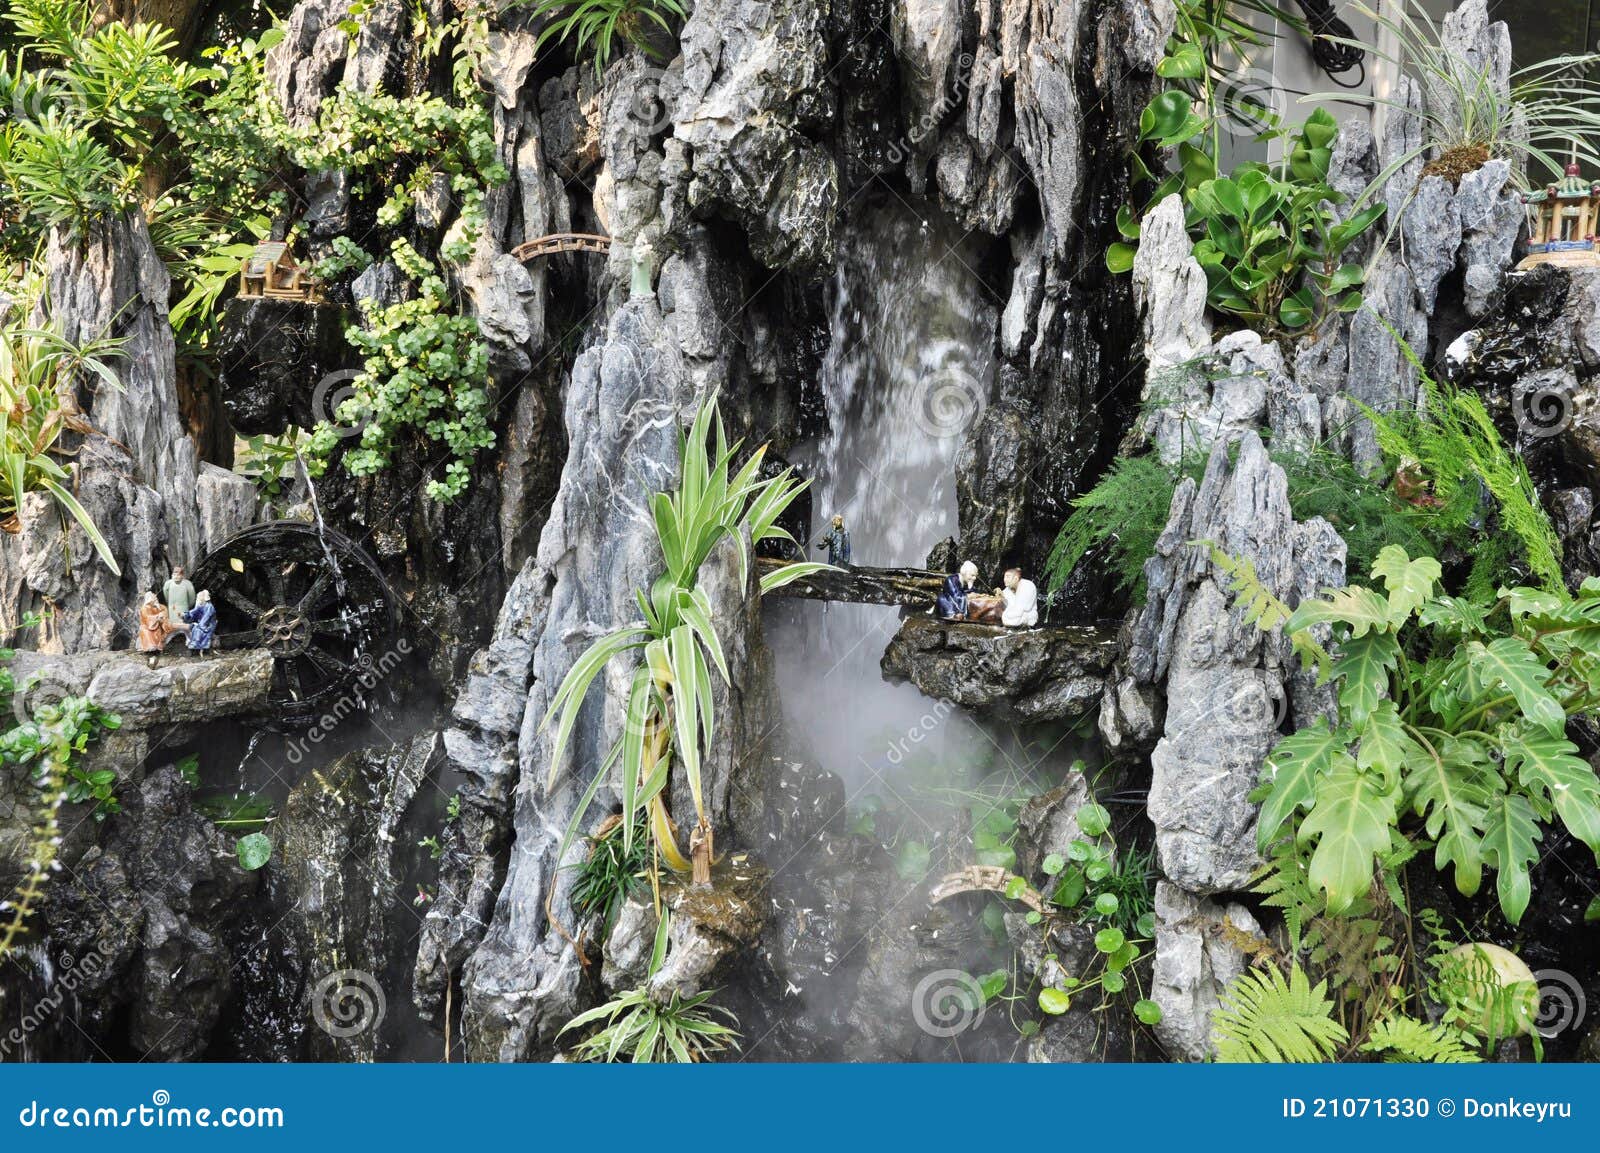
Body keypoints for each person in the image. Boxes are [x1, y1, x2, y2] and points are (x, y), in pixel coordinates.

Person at [136, 592, 172, 668]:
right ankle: (150, 652)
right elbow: (147, 618)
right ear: (149, 599)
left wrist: (160, 612)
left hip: (156, 627)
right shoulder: (144, 608)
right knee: (147, 632)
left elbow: (164, 612)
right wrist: (157, 617)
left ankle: (156, 652)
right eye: (153, 598)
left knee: (159, 632)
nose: (155, 599)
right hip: (147, 627)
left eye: (156, 598)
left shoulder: (159, 607)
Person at [183, 590, 217, 657]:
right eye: (198, 597)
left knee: (198, 630)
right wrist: (185, 614)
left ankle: (199, 648)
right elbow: (193, 612)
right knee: (192, 627)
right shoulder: (200, 606)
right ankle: (194, 648)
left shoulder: (210, 607)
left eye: (200, 597)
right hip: (201, 623)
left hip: (209, 624)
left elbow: (206, 618)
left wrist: (199, 625)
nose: (198, 598)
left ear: (204, 598)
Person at [163, 565, 196, 629]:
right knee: (173, 623)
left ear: (182, 576)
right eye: (174, 575)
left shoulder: (187, 584)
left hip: (183, 607)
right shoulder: (168, 583)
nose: (176, 577)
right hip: (172, 607)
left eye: (178, 575)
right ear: (172, 576)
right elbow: (166, 594)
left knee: (183, 622)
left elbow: (192, 597)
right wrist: (170, 603)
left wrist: (187, 605)